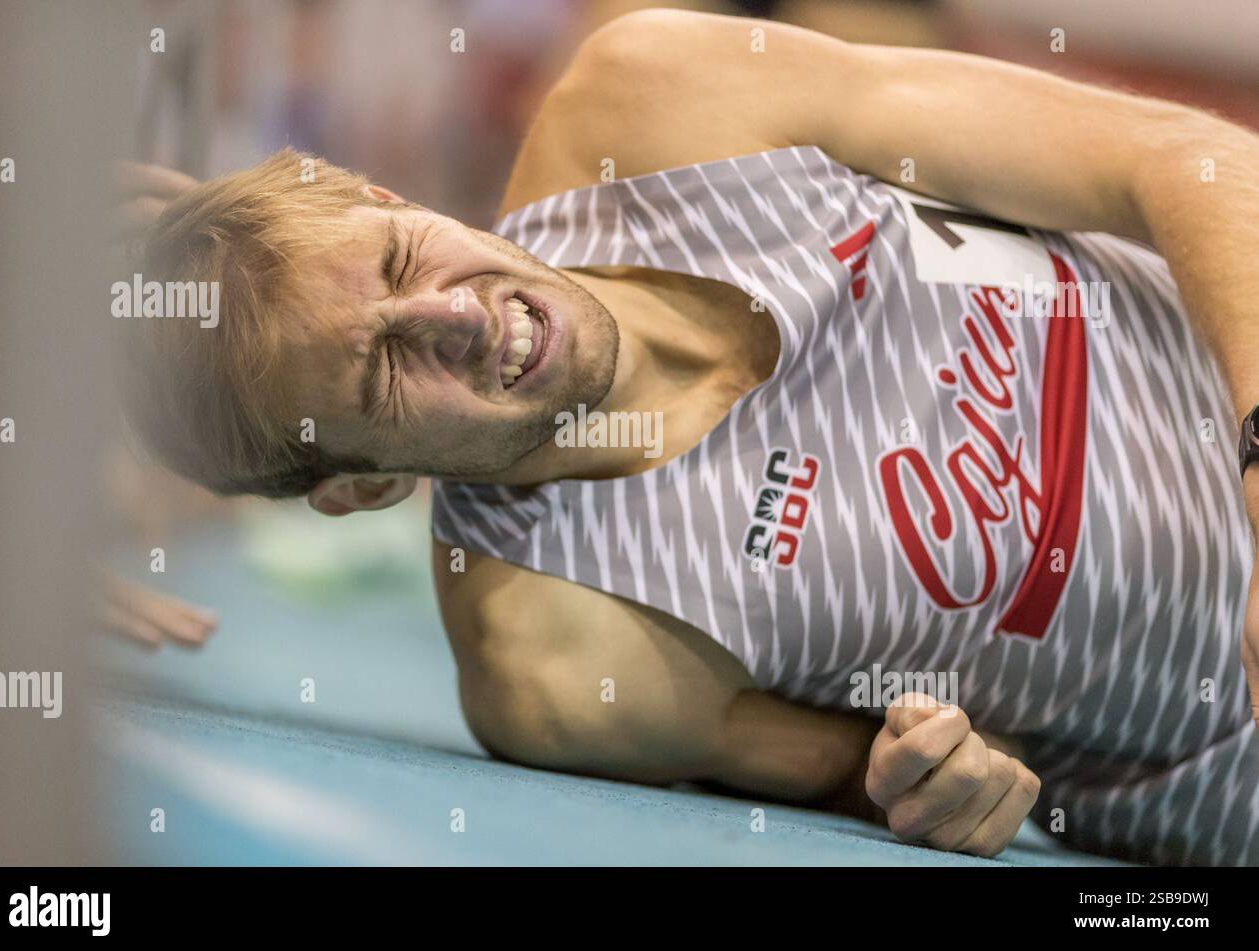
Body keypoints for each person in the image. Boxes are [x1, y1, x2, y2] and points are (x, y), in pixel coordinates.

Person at [118, 10, 1259, 864]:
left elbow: (1182, 161)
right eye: (383, 365)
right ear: (361, 488)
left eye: (402, 258)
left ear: (392, 194)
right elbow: (882, 776)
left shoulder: (663, 104)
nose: (457, 318)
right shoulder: (561, 663)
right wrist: (931, 786)